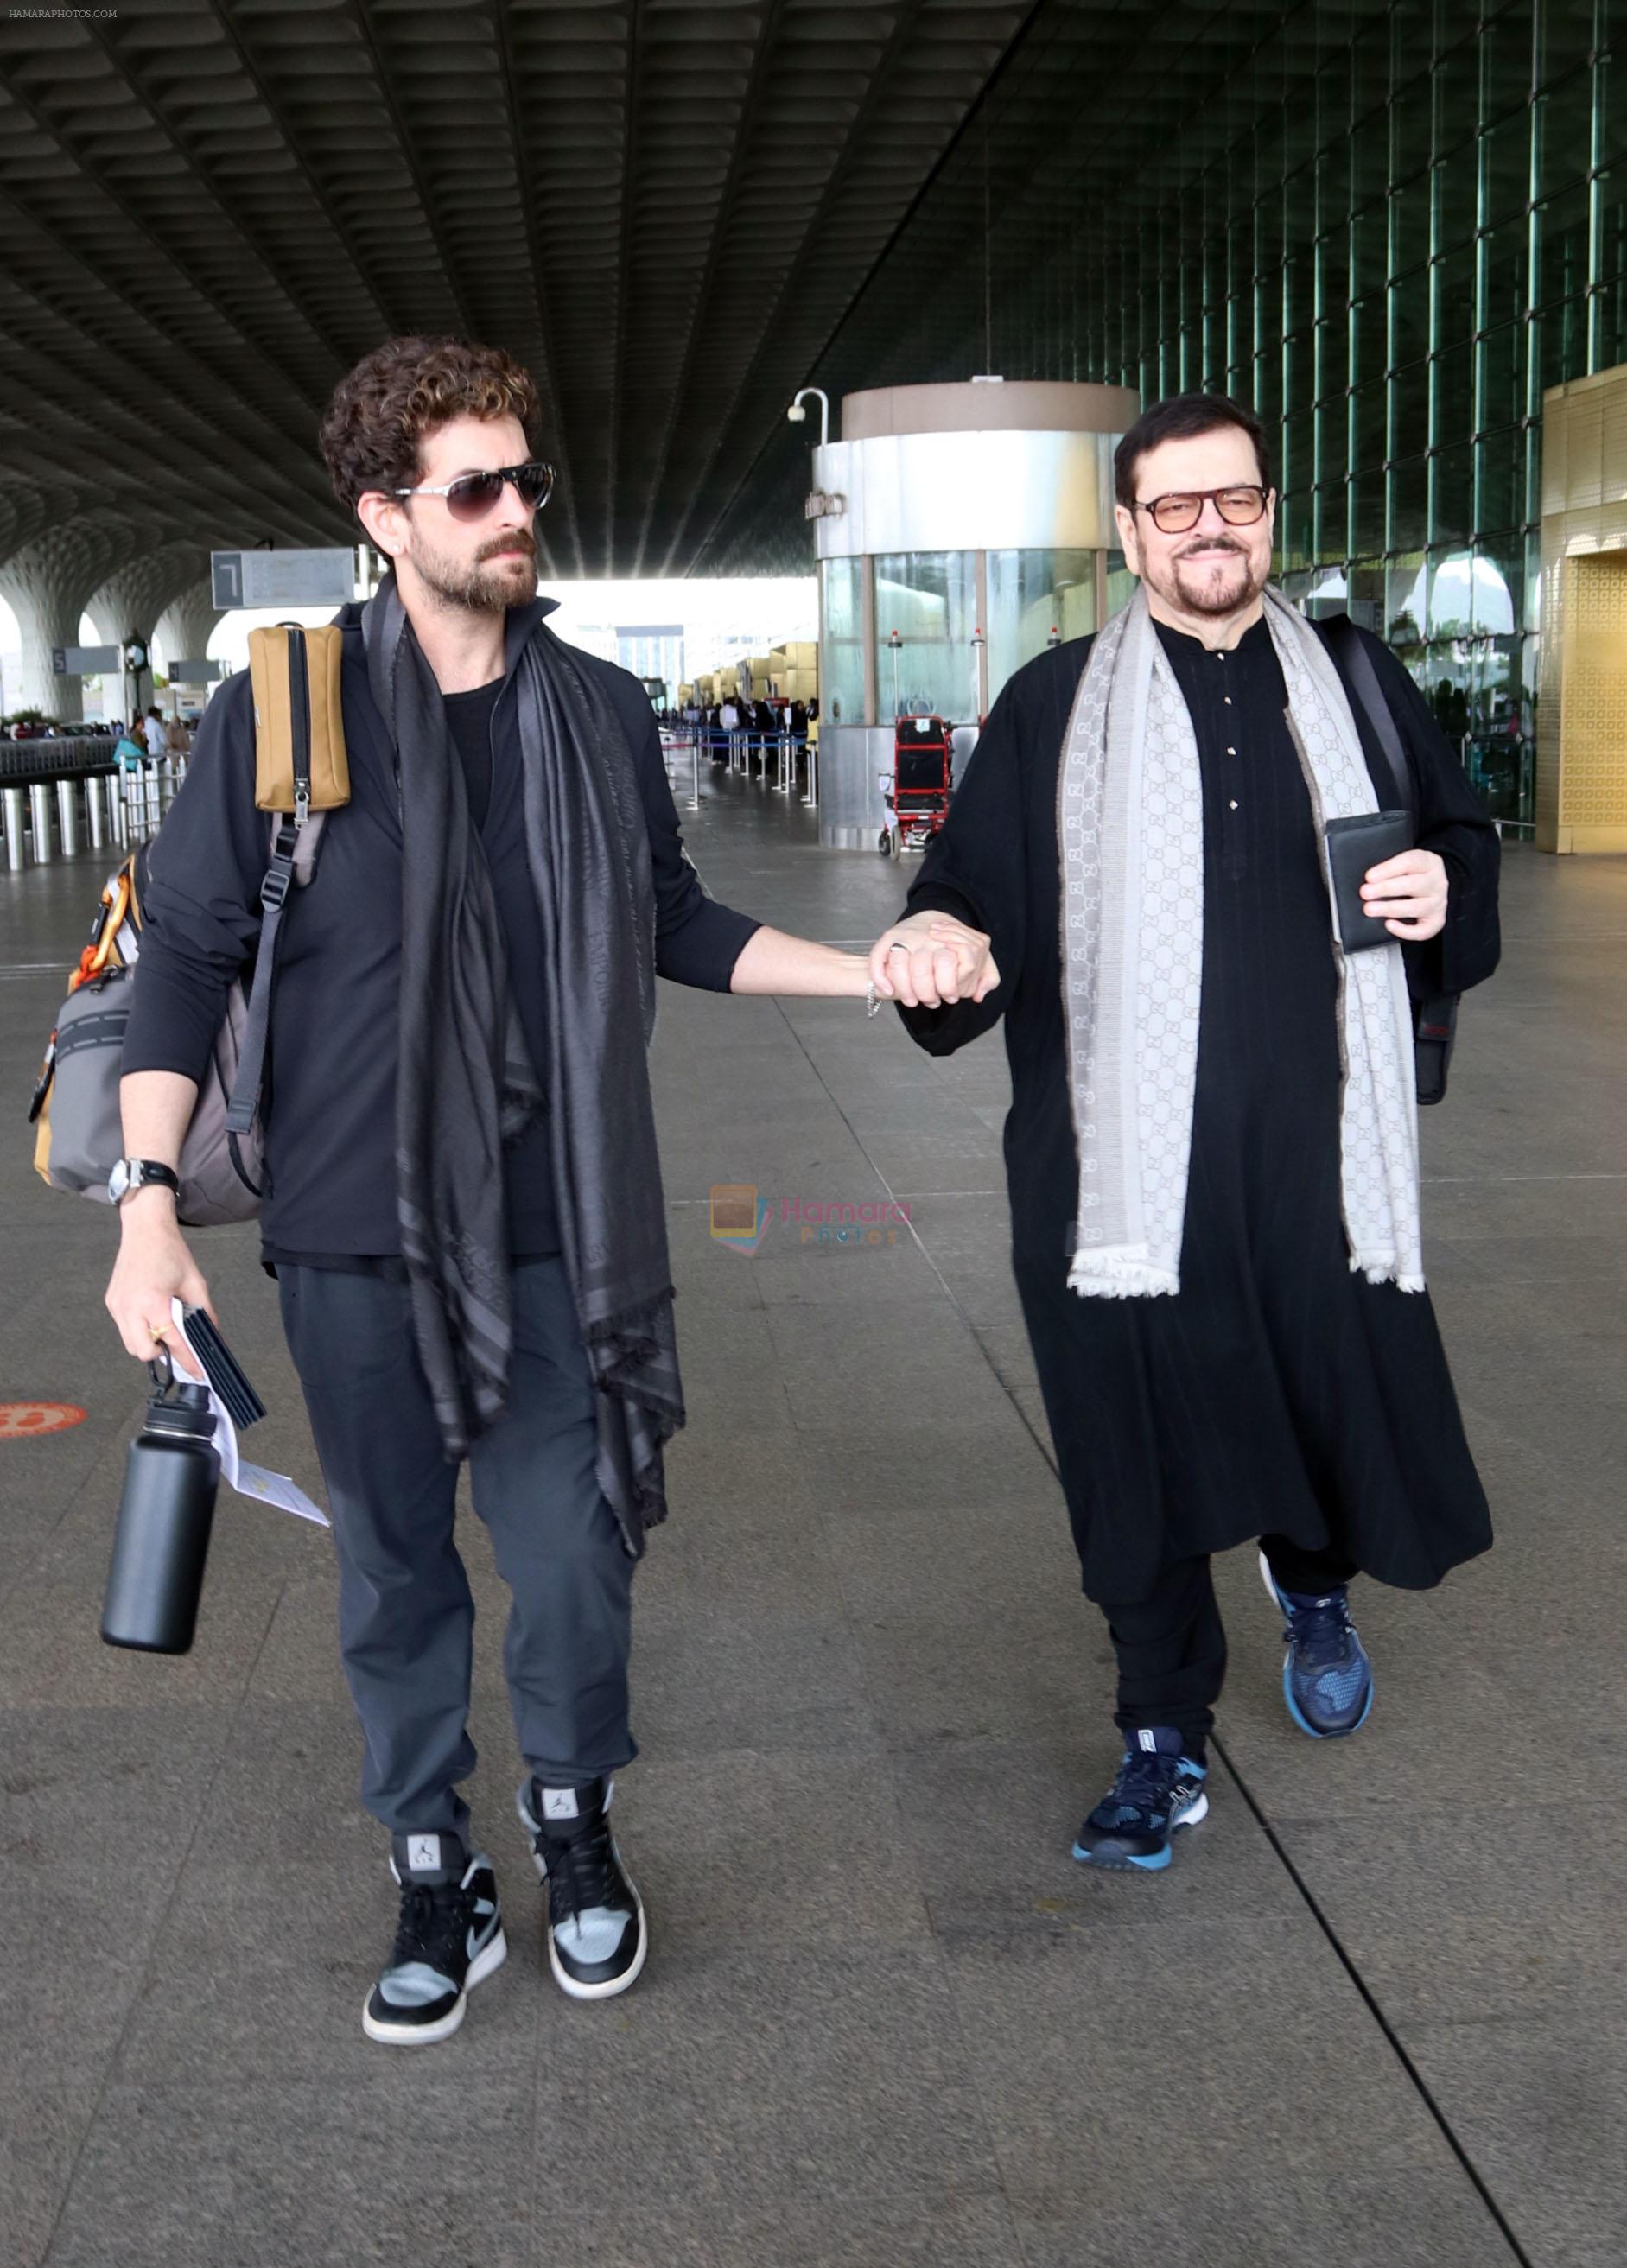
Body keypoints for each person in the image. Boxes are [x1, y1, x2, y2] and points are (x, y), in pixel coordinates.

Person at [105, 334, 876, 2046]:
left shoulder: (594, 708)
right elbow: (187, 961)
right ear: (385, 516)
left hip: (555, 1224)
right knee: (394, 1570)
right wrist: (147, 1203)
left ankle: (573, 1817)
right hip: (347, 1228)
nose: (518, 510)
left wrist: (868, 971)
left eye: (529, 479)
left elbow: (674, 920)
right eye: (476, 488)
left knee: (573, 1556)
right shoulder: (283, 707)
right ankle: (431, 1856)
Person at [865, 391, 1499, 1874]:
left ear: (1269, 511)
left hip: (1320, 1166)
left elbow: (1457, 839)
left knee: (1325, 1394)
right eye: (1177, 505)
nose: (1213, 528)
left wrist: (1443, 887)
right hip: (1113, 1181)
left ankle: (1314, 1583)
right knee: (1130, 1447)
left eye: (1239, 500)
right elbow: (965, 891)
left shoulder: (1353, 676)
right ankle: (1162, 1731)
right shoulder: (1052, 706)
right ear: (1129, 531)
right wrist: (941, 937)